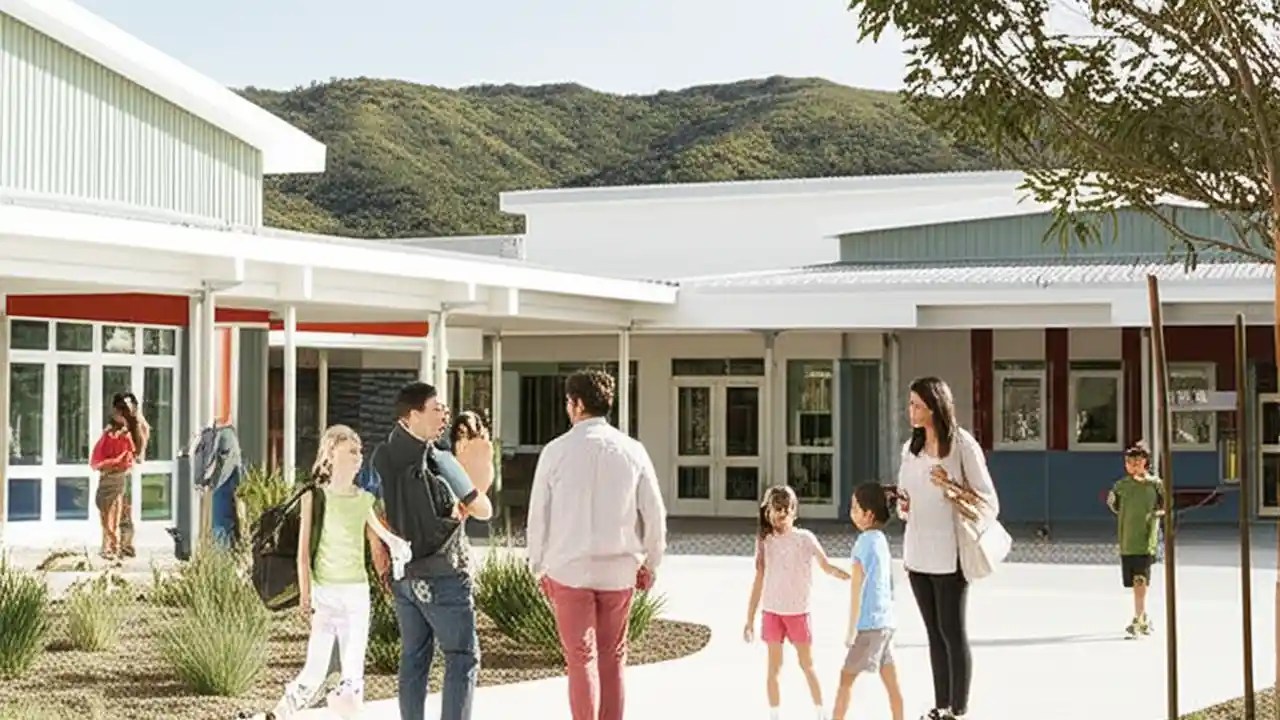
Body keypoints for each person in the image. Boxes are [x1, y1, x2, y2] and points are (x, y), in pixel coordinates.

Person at [526, 369, 668, 720]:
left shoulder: (555, 451)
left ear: (575, 404)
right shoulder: (633, 450)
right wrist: (652, 562)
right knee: (613, 656)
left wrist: (538, 565)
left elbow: (537, 515)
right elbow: (654, 511)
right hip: (619, 570)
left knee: (580, 658)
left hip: (567, 568)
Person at [369, 382, 493, 720]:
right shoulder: (439, 458)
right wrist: (478, 480)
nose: (444, 416)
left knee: (413, 657)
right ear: (412, 416)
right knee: (462, 655)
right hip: (443, 573)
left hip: (404, 575)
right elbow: (482, 509)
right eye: (436, 409)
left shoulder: (381, 456)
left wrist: (381, 557)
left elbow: (370, 512)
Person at [271, 425, 411, 720]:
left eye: (360, 452)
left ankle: (343, 706)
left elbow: (382, 536)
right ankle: (281, 711)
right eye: (351, 451)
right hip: (325, 595)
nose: (358, 457)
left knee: (353, 671)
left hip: (356, 595)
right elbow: (303, 553)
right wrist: (305, 597)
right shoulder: (315, 497)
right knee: (315, 667)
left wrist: (399, 548)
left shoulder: (364, 499)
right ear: (331, 454)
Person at [896, 376, 999, 720]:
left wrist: (950, 485)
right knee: (932, 634)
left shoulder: (962, 445)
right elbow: (903, 500)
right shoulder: (909, 449)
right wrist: (902, 506)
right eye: (910, 403)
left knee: (952, 632)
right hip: (917, 553)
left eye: (917, 405)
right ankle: (941, 707)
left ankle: (959, 708)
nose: (910, 411)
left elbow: (989, 501)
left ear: (935, 407)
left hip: (950, 554)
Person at [743, 484, 850, 720]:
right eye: (777, 508)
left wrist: (847, 576)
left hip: (798, 612)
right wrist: (749, 619)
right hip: (772, 612)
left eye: (786, 508)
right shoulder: (764, 542)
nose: (782, 514)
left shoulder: (805, 539)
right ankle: (774, 714)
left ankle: (822, 711)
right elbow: (758, 579)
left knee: (807, 665)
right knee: (773, 669)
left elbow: (825, 565)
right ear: (767, 511)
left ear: (795, 511)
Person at [832, 483, 904, 720]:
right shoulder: (882, 541)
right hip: (886, 622)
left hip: (868, 624)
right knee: (892, 683)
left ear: (868, 514)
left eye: (855, 508)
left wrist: (851, 630)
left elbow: (857, 589)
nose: (851, 513)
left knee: (846, 679)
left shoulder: (862, 544)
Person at [1106, 441, 1164, 639]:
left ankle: (1138, 618)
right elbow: (1115, 506)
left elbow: (1165, 506)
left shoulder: (1155, 485)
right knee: (1133, 582)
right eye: (1129, 462)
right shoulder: (1121, 486)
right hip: (1127, 540)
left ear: (1145, 462)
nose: (1133, 465)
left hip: (1146, 540)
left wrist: (1155, 515)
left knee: (1141, 579)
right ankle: (1144, 616)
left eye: (1137, 461)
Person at [90, 396, 141, 560]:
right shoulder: (110, 432)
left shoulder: (135, 427)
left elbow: (137, 451)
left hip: (124, 474)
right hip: (111, 475)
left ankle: (122, 545)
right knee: (109, 509)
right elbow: (98, 455)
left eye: (126, 409)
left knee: (122, 510)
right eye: (119, 409)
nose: (122, 413)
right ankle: (111, 545)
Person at [117, 392, 151, 559]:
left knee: (125, 508)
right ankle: (120, 543)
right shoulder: (121, 423)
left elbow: (140, 450)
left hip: (127, 471)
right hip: (119, 469)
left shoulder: (138, 424)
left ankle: (126, 544)